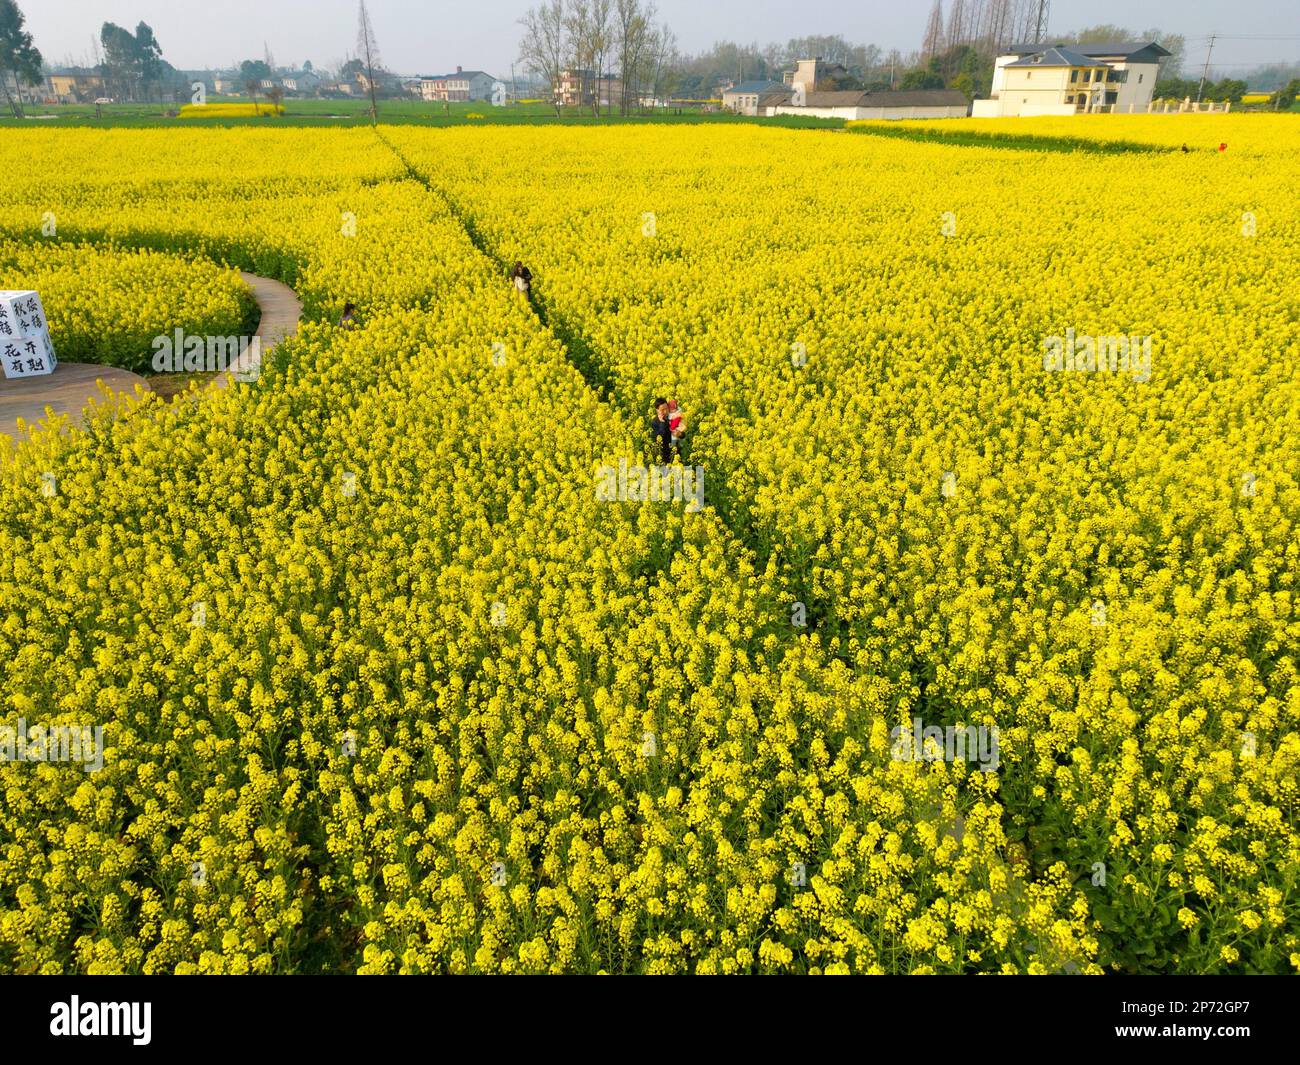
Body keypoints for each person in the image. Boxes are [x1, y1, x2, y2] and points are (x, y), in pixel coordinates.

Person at [650, 397, 674, 465]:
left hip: (674, 452)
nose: (665, 411)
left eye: (666, 408)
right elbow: (660, 437)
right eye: (662, 410)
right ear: (657, 410)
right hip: (662, 455)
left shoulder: (671, 418)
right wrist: (662, 423)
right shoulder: (655, 422)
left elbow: (682, 435)